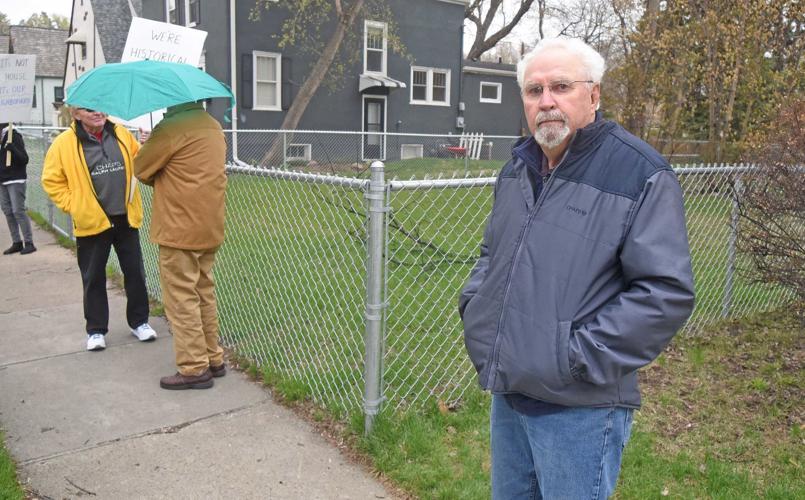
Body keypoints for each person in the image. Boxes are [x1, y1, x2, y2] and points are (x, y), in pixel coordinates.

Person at [459, 37, 695, 499]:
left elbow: (664, 292)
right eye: (534, 90)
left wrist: (571, 357)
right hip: (510, 395)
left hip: (580, 407)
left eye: (561, 86)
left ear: (594, 94)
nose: (546, 101)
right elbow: (491, 254)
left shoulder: (639, 173)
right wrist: (477, 312)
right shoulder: (517, 169)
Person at [42, 107, 157, 351]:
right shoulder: (64, 144)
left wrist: (147, 145)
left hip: (126, 218)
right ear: (76, 114)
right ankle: (95, 330)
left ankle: (140, 322)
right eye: (89, 109)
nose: (98, 113)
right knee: (93, 277)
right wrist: (75, 206)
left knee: (135, 273)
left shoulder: (122, 134)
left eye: (100, 108)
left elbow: (141, 164)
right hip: (92, 223)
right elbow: (51, 181)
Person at [133, 101, 227, 390]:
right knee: (203, 292)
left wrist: (146, 144)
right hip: (209, 224)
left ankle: (193, 368)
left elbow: (141, 168)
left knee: (181, 298)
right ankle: (213, 358)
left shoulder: (170, 128)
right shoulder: (212, 125)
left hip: (179, 228)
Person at [0, 123, 36, 255]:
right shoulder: (2, 137)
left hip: (15, 179)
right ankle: (17, 242)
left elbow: (24, 159)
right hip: (3, 179)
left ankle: (29, 242)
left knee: (18, 211)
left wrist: (12, 148)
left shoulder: (14, 136)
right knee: (8, 211)